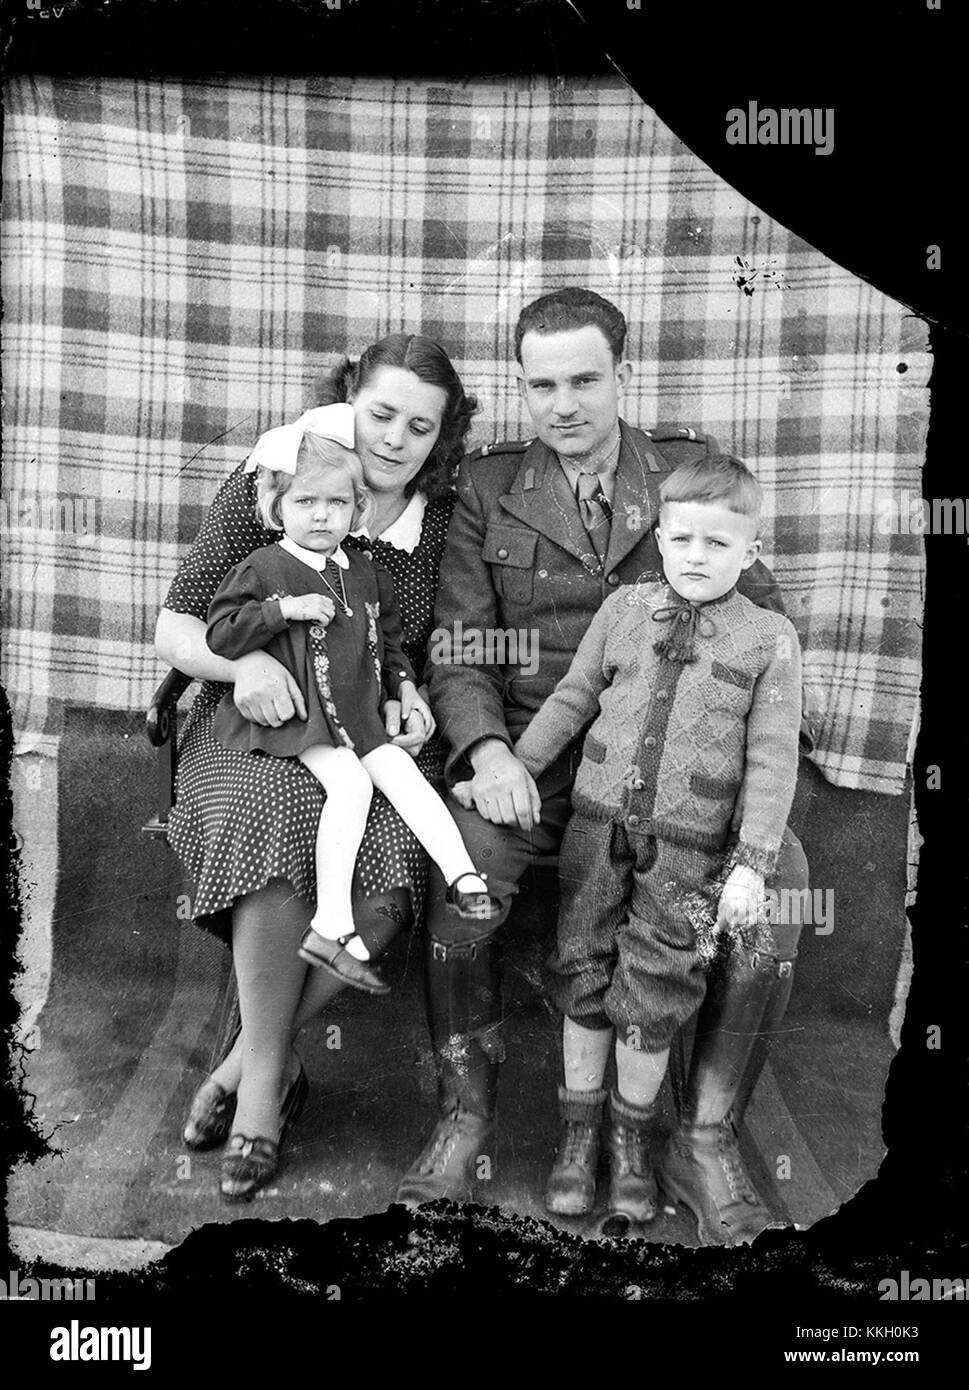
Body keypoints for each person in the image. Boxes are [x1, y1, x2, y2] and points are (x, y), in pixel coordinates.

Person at [396, 287, 810, 1247]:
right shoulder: (489, 489)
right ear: (522, 390)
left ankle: (700, 1141)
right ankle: (465, 1118)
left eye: (584, 379)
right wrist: (492, 752)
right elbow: (459, 648)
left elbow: (760, 631)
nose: (563, 404)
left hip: (683, 779)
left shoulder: (684, 476)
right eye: (541, 385)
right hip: (536, 766)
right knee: (462, 874)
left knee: (781, 886)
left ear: (622, 375)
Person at [155, 333, 476, 1201]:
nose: (394, 439)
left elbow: (443, 646)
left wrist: (417, 701)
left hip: (374, 726)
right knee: (277, 810)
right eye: (380, 413)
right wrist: (243, 666)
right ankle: (263, 1097)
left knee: (394, 860)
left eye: (420, 425)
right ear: (349, 400)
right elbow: (180, 624)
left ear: (440, 438)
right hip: (255, 721)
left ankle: (234, 1067)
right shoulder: (282, 469)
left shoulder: (444, 516)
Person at [514, 455, 802, 1238]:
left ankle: (630, 1140)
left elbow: (772, 760)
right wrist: (519, 766)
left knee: (656, 981)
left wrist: (751, 862)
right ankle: (576, 1138)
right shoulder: (623, 609)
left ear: (749, 552)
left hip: (691, 851)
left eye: (717, 542)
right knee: (581, 963)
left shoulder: (768, 638)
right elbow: (574, 696)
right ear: (660, 539)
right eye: (681, 539)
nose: (696, 556)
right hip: (595, 827)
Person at [206, 403, 495, 997]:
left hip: (360, 718)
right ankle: (331, 925)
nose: (321, 516)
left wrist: (405, 686)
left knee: (404, 775)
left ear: (356, 507)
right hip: (298, 721)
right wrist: (280, 611)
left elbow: (385, 645)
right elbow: (219, 634)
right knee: (352, 785)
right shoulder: (264, 567)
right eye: (305, 503)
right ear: (276, 506)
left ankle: (464, 877)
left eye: (336, 504)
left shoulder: (362, 571)